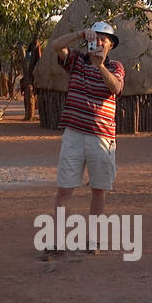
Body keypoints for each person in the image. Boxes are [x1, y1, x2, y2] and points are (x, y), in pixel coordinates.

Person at [39, 20, 125, 259]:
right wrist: (78, 33)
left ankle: (93, 239)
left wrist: (100, 67)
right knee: (64, 189)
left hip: (102, 137)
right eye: (94, 38)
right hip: (74, 135)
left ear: (110, 45)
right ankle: (57, 241)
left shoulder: (116, 66)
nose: (98, 42)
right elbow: (55, 45)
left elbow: (116, 88)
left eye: (103, 39)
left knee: (99, 190)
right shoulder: (76, 60)